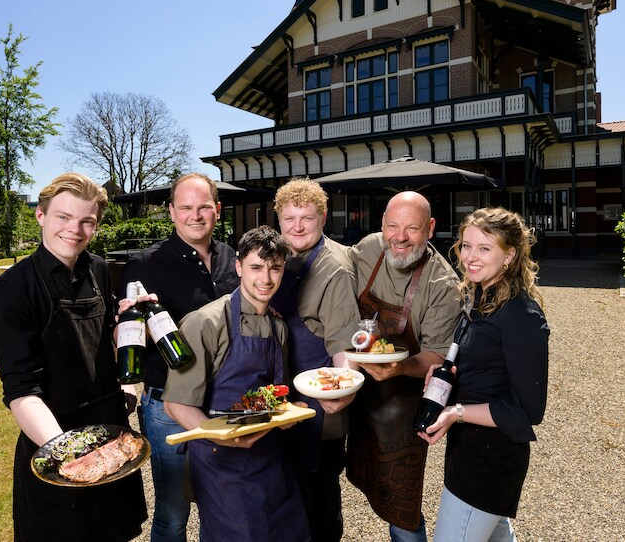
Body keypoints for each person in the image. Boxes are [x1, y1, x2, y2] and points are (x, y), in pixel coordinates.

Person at [0, 172, 146, 541]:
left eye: (86, 220)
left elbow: (100, 340)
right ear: (41, 216)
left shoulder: (100, 270)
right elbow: (21, 391)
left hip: (110, 430)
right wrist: (71, 457)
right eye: (63, 217)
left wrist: (133, 327)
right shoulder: (14, 289)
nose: (74, 229)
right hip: (56, 445)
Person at [163, 226, 310, 542]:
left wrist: (290, 411)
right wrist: (225, 439)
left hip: (270, 457)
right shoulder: (204, 323)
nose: (266, 278)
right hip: (221, 464)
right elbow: (175, 403)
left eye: (275, 268)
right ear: (239, 267)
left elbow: (273, 397)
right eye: (256, 267)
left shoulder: (278, 326)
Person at [117, 173, 239, 542]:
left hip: (225, 400)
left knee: (221, 502)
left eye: (204, 206)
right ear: (171, 212)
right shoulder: (144, 266)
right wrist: (125, 320)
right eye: (185, 207)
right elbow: (127, 335)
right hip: (167, 406)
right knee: (173, 512)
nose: (195, 215)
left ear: (217, 210)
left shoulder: (232, 257)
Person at [417, 207, 550, 542]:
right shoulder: (478, 296)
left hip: (490, 463)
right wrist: (446, 375)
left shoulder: (521, 315)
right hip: (466, 451)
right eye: (466, 246)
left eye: (484, 248)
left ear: (509, 256)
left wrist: (456, 412)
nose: (470, 258)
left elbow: (528, 411)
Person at [347, 191, 463, 542]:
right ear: (381, 224)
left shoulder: (443, 284)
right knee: (328, 470)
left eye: (412, 228)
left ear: (430, 228)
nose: (399, 237)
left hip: (403, 398)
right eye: (392, 226)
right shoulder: (366, 250)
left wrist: (398, 368)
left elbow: (436, 356)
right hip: (352, 384)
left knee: (402, 502)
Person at [270, 178, 362, 542]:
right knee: (288, 498)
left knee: (319, 501)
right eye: (289, 218)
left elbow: (345, 341)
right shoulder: (283, 257)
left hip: (318, 407)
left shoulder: (333, 268)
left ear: (322, 218)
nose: (297, 226)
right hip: (284, 399)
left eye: (306, 218)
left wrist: (344, 391)